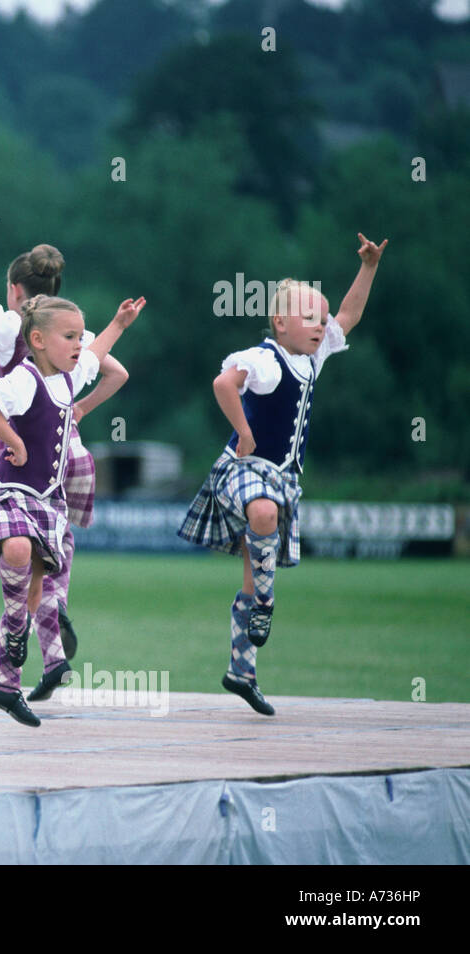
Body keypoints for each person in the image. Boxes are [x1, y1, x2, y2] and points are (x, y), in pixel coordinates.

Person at [178, 234, 387, 716]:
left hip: (284, 477)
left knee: (252, 575)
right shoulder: (265, 359)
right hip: (244, 470)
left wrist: (369, 267)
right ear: (279, 323)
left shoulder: (312, 357)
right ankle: (268, 605)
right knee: (264, 511)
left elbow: (351, 315)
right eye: (311, 318)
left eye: (322, 317)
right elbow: (222, 383)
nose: (322, 325)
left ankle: (241, 672)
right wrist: (243, 431)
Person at [0, 209, 131, 695]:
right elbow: (116, 372)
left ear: (14, 290)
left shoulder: (11, 326)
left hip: (24, 447)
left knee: (24, 551)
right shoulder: (73, 333)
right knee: (53, 550)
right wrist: (81, 410)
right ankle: (54, 634)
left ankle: (27, 634)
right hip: (68, 450)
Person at [0, 293, 144, 726]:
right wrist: (18, 441)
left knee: (37, 586)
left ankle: (4, 685)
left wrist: (119, 323)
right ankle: (17, 629)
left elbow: (99, 354)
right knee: (19, 552)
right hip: (11, 491)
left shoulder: (69, 377)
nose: (80, 344)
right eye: (70, 337)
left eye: (81, 336)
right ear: (39, 340)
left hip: (48, 501)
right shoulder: (24, 379)